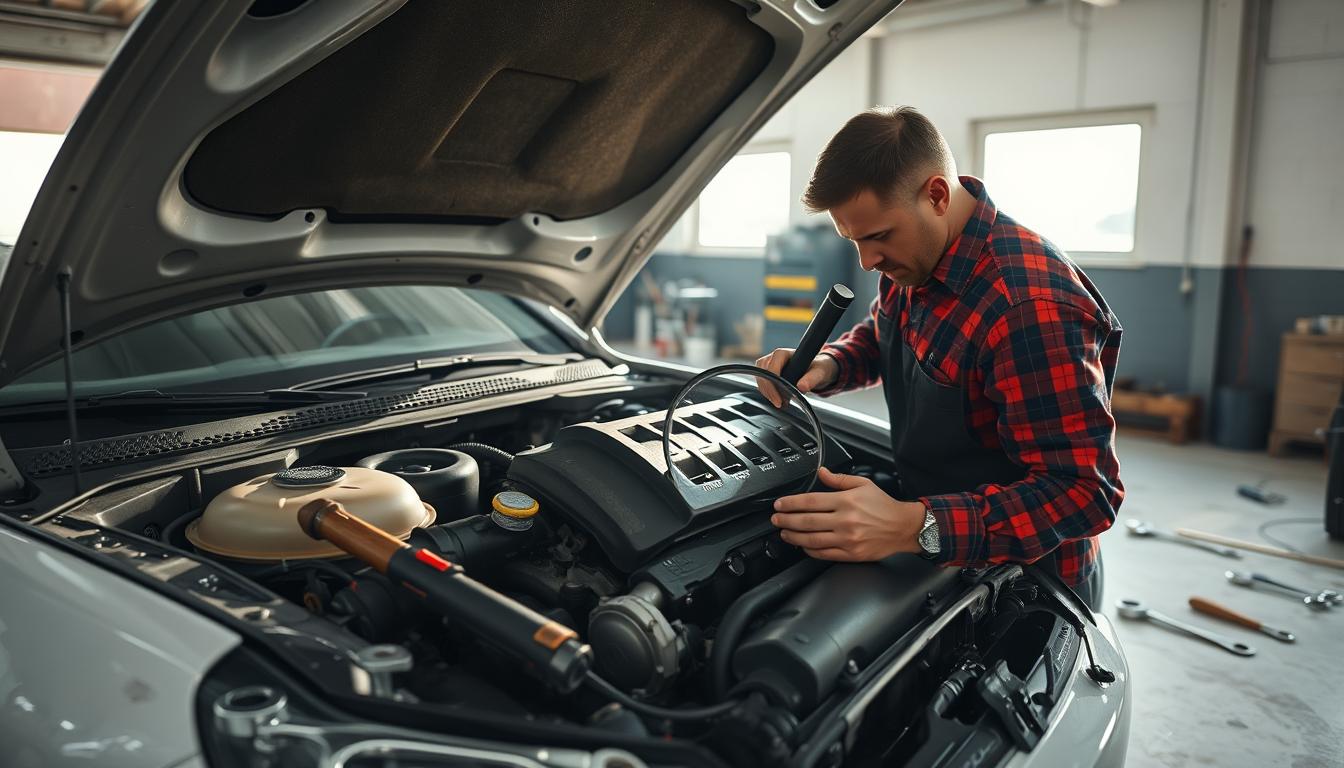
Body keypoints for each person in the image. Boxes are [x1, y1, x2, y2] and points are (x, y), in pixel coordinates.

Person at [756, 106, 1122, 609]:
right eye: (855, 240)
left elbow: (1082, 493)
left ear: (936, 196)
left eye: (878, 236)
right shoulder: (918, 258)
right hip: (945, 553)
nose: (868, 261)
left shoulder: (1029, 307)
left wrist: (914, 526)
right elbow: (882, 336)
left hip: (1030, 591)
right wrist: (826, 365)